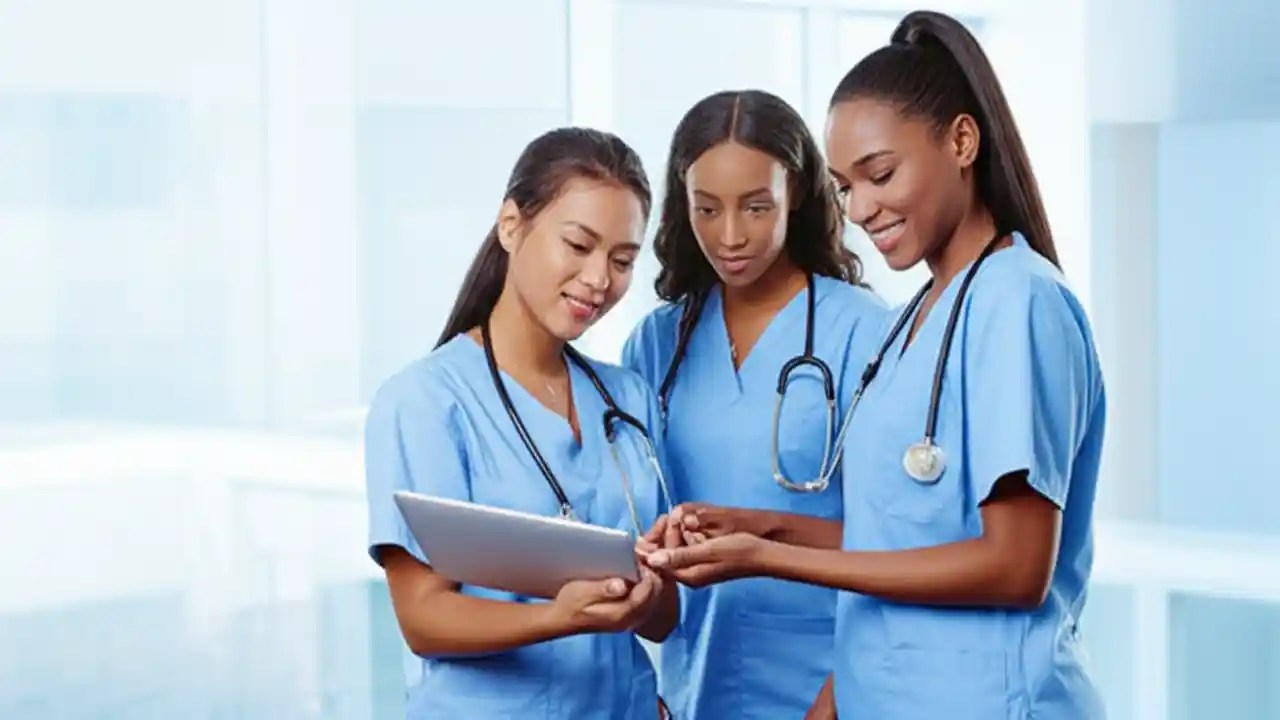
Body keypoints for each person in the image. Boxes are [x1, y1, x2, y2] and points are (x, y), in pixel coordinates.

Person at [643, 11, 1108, 720]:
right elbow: (896, 537)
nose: (860, 209)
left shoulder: (1018, 299)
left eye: (880, 174)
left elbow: (1016, 566)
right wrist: (756, 527)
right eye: (844, 188)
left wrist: (769, 559)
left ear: (962, 141)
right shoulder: (920, 316)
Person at [364, 127, 679, 719]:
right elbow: (423, 619)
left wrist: (653, 588)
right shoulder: (426, 402)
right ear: (511, 225)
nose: (599, 279)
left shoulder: (627, 399)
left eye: (622, 260)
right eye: (578, 245)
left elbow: (663, 620)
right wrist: (560, 617)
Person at [622, 89, 887, 720]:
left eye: (756, 207)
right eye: (707, 209)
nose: (731, 236)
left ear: (795, 192)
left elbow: (901, 543)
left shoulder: (865, 332)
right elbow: (643, 542)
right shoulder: (657, 344)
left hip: (834, 688)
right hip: (697, 686)